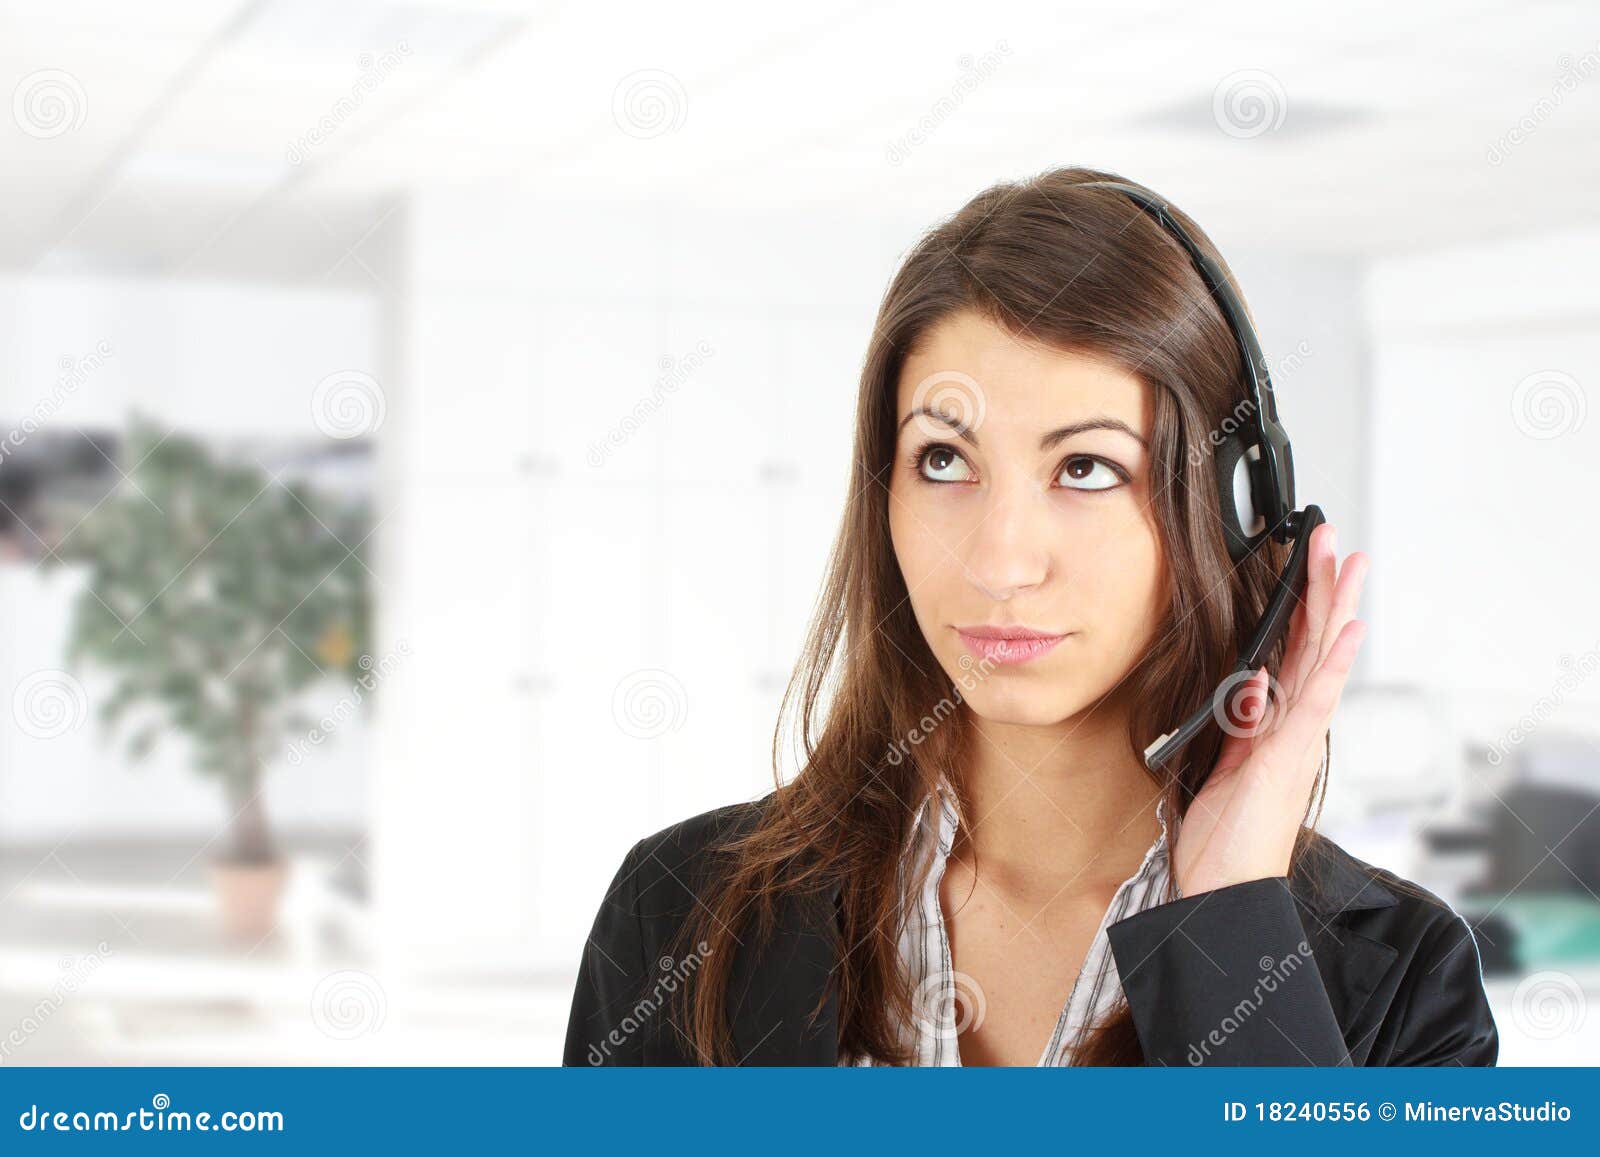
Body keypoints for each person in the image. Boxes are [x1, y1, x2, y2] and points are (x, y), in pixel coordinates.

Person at [562, 166, 1499, 1067]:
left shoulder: (1406, 981)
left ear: (1234, 510)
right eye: (944, 460)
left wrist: (1229, 927)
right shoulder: (679, 914)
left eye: (1086, 467)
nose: (1001, 560)